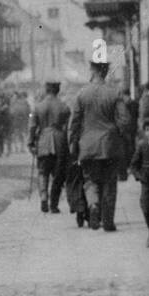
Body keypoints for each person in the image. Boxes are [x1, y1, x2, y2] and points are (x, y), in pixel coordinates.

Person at [68, 51, 131, 232]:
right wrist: (120, 134)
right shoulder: (114, 92)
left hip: (87, 146)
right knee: (110, 183)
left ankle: (93, 205)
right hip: (110, 145)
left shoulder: (81, 94)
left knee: (90, 181)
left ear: (92, 70)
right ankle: (108, 222)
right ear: (105, 72)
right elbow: (125, 120)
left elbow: (74, 124)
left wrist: (73, 144)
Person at [28, 81, 69, 214]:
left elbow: (33, 127)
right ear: (57, 90)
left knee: (42, 172)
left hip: (43, 141)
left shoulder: (38, 107)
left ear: (46, 90)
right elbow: (68, 128)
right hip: (60, 142)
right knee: (58, 175)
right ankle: (54, 204)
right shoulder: (64, 107)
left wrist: (31, 142)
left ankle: (44, 197)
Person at [126, 123, 149, 247]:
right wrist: (140, 177)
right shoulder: (142, 146)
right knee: (146, 207)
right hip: (147, 182)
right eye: (147, 130)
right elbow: (133, 166)